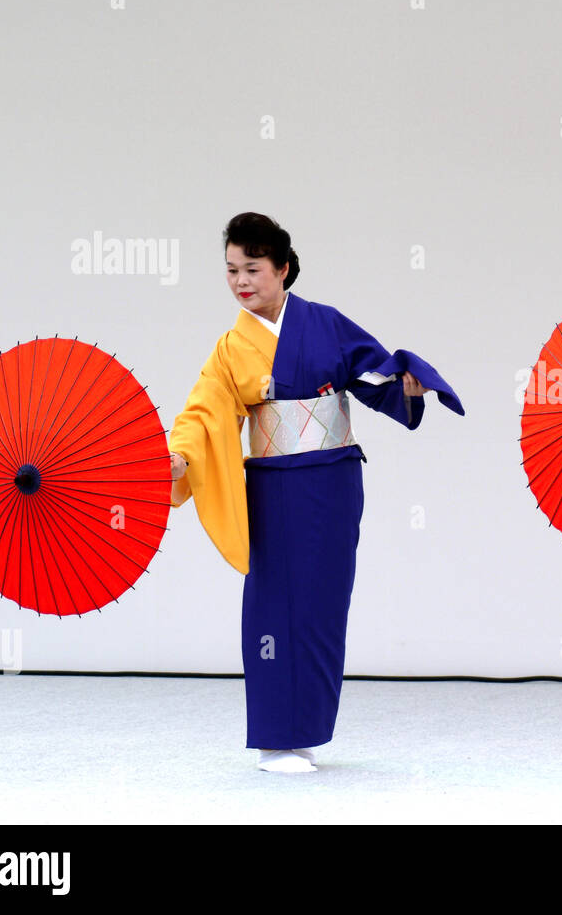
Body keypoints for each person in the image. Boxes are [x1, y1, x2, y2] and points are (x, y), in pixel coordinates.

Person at [167, 212, 463, 773]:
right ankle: (274, 737)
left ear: (282, 269)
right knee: (274, 604)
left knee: (325, 603)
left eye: (251, 269)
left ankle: (306, 731)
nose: (240, 281)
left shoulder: (324, 325)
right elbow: (205, 411)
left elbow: (373, 374)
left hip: (333, 482)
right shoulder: (232, 349)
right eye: (231, 271)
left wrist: (407, 385)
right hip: (275, 488)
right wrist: (181, 456)